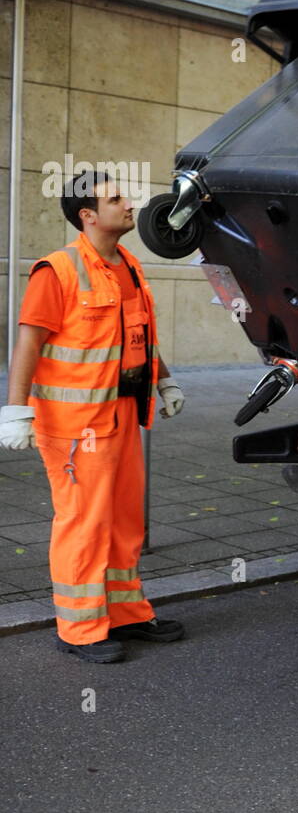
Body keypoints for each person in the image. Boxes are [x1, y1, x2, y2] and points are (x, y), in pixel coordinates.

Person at [0, 171, 187, 664]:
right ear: (88, 215)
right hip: (73, 424)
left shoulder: (127, 264)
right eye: (116, 198)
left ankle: (125, 614)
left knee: (124, 519)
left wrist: (163, 379)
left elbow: (139, 336)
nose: (130, 205)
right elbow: (28, 343)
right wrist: (15, 411)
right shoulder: (57, 270)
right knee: (83, 522)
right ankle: (80, 628)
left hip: (122, 413)